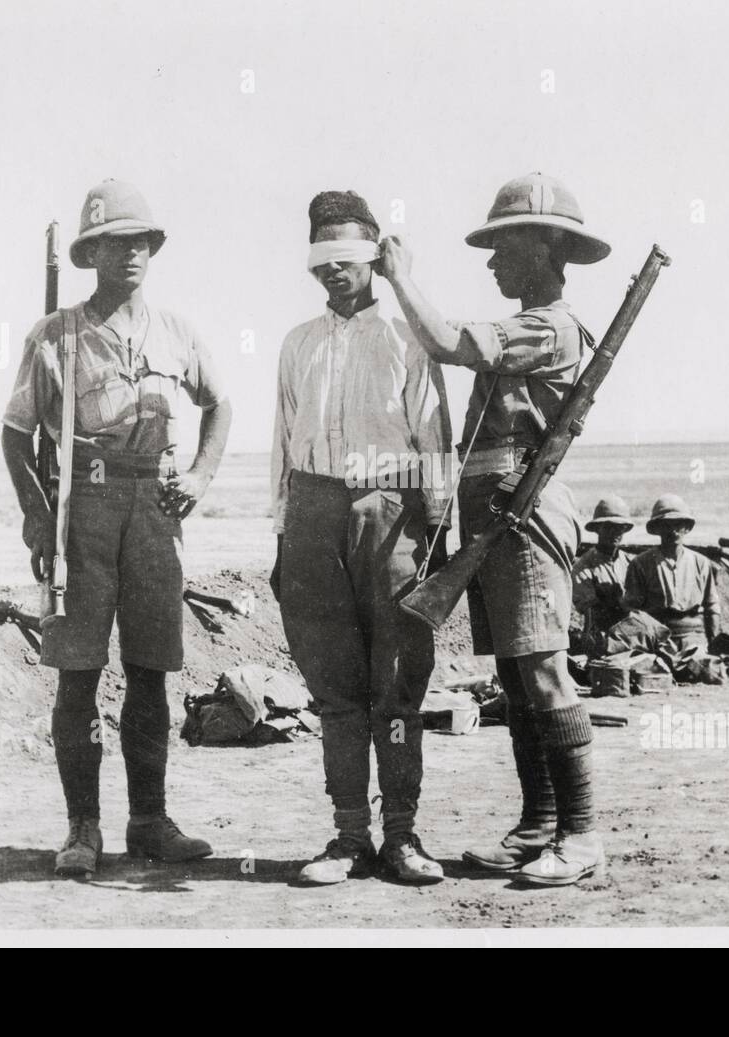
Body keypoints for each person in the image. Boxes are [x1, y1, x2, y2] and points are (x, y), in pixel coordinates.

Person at [379, 172, 608, 887]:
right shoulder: (532, 323)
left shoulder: (551, 326)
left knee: (543, 671)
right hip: (495, 514)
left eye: (504, 246)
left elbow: (448, 340)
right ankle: (540, 824)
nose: (492, 262)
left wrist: (399, 279)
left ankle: (580, 833)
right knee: (515, 674)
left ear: (543, 247)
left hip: (526, 510)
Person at [1, 179, 232, 877]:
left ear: (150, 250)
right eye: (113, 242)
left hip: (156, 511)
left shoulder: (178, 332)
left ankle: (150, 821)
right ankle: (82, 827)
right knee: (78, 676)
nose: (128, 253)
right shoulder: (55, 336)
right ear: (90, 252)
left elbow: (221, 405)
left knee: (151, 672)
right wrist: (38, 517)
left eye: (139, 241)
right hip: (84, 510)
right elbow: (15, 436)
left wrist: (198, 476)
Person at [270, 190, 452, 886]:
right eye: (323, 255)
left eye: (348, 254)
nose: (335, 269)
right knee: (336, 689)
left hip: (392, 511)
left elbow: (433, 440)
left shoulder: (408, 338)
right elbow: (282, 444)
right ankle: (349, 834)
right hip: (315, 512)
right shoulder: (297, 344)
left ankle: (401, 836)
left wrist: (434, 532)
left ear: (374, 254)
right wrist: (286, 532)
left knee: (398, 688)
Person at [620, 494, 719, 652]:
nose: (673, 531)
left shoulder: (701, 563)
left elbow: (712, 606)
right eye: (666, 525)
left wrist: (713, 644)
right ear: (657, 528)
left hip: (694, 638)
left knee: (710, 672)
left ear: (686, 527)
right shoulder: (641, 563)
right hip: (657, 639)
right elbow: (632, 609)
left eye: (678, 524)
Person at [571, 496, 635, 658]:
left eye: (620, 527)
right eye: (609, 527)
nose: (615, 533)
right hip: (602, 635)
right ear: (598, 529)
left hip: (633, 630)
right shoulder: (584, 566)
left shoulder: (632, 563)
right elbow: (590, 609)